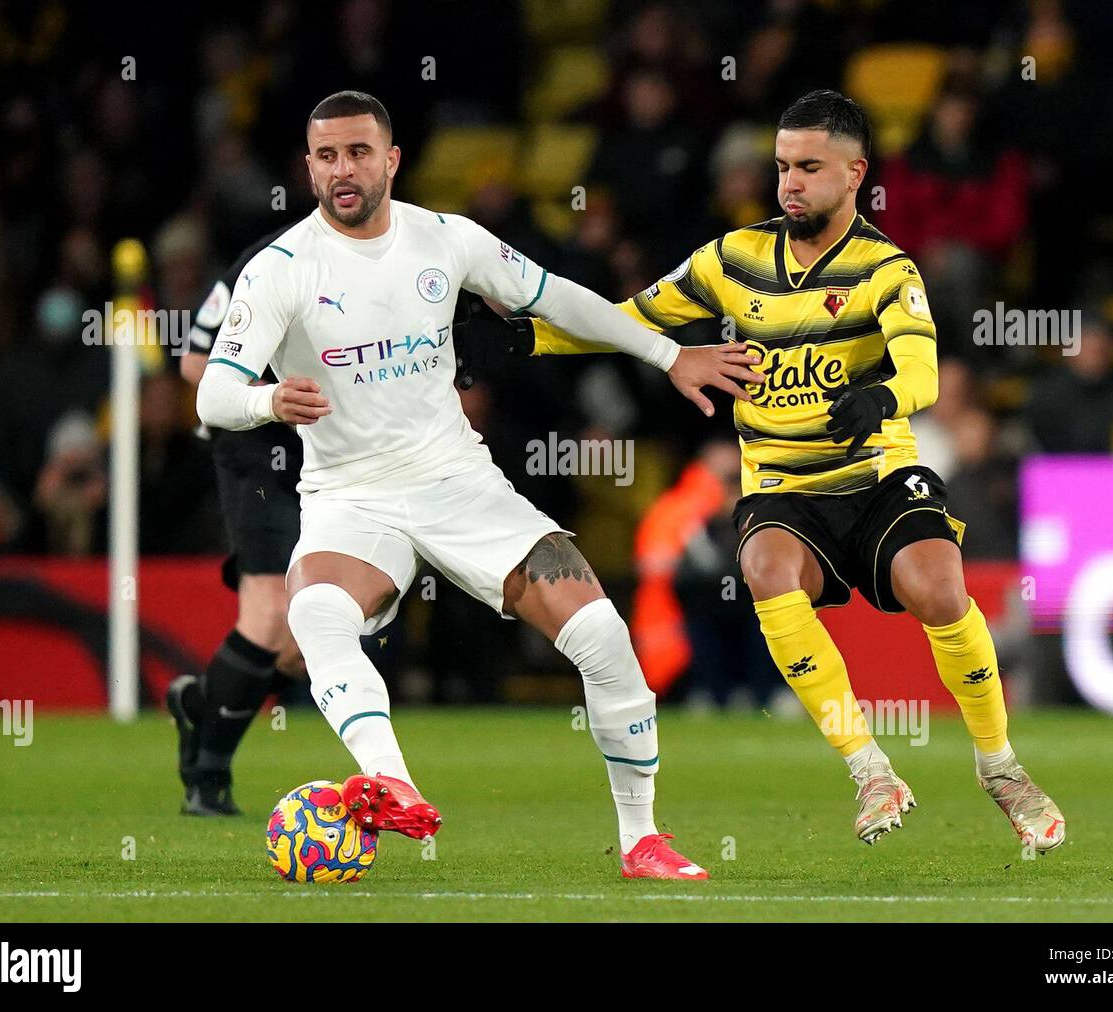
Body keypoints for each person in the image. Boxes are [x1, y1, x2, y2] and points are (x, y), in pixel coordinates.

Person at [195, 90, 759, 878]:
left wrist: (670, 356)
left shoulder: (445, 239)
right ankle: (389, 782)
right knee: (317, 612)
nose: (342, 170)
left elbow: (557, 296)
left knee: (602, 635)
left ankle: (641, 839)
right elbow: (211, 393)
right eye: (326, 156)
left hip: (458, 482)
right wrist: (267, 399)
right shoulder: (281, 268)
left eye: (358, 152)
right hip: (351, 496)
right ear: (310, 167)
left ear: (391, 160)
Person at [514, 90, 1066, 853]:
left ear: (854, 174)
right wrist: (522, 341)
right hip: (782, 486)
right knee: (769, 569)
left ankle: (999, 764)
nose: (789, 184)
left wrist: (881, 395)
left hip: (875, 474)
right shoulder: (729, 259)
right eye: (781, 168)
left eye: (808, 167)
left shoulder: (885, 267)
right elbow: (628, 318)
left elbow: (923, 374)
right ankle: (870, 769)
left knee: (939, 588)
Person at [169, 223, 305, 816]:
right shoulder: (266, 261)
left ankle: (204, 703)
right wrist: (274, 396)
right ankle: (208, 775)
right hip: (256, 452)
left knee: (306, 639)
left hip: (333, 451)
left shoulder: (389, 261)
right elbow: (194, 364)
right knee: (271, 608)